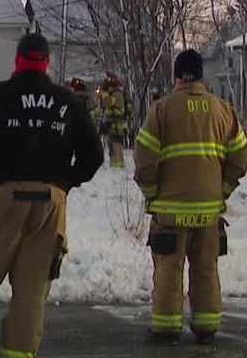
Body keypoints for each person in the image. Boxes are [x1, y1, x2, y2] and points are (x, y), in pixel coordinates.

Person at [0, 33, 103, 357]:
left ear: (17, 60)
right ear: (46, 63)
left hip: (0, 198)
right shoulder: (68, 102)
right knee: (32, 291)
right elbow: (93, 156)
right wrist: (64, 184)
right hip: (50, 205)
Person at [134, 50, 246, 345]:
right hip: (208, 212)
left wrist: (151, 193)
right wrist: (222, 190)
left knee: (168, 270)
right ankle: (207, 326)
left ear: (177, 77)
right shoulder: (222, 110)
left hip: (170, 211)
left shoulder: (162, 110)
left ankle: (166, 328)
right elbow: (240, 157)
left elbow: (144, 159)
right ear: (201, 76)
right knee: (206, 268)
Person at [99, 73, 128, 168]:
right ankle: (115, 165)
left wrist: (104, 92)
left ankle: (118, 166)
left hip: (116, 125)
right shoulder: (116, 93)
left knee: (116, 146)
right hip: (114, 125)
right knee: (113, 146)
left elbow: (106, 102)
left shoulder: (117, 94)